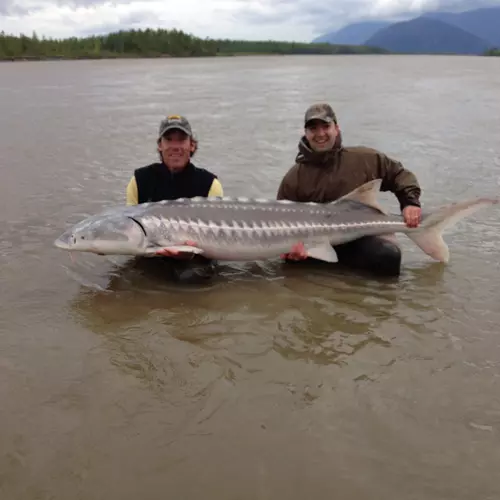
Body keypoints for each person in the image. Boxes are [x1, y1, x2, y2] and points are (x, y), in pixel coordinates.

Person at [277, 102, 422, 278]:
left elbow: (398, 174)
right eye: (313, 128)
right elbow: (279, 223)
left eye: (326, 126)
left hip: (358, 238)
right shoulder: (294, 178)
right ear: (306, 133)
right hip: (314, 244)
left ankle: (378, 303)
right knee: (289, 267)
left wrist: (410, 203)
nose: (320, 134)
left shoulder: (363, 159)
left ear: (336, 128)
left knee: (388, 256)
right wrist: (289, 250)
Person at [125, 114, 224, 283]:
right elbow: (128, 228)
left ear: (192, 145)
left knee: (191, 278)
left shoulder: (209, 184)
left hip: (195, 259)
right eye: (169, 139)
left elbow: (218, 236)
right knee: (129, 279)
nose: (175, 146)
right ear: (160, 146)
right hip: (153, 255)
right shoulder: (140, 180)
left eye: (181, 140)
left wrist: (188, 252)